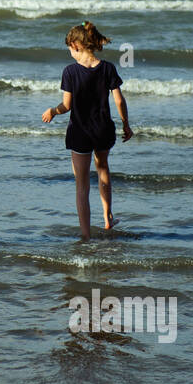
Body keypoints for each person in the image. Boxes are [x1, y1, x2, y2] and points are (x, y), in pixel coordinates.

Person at [42, 21, 133, 239]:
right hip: (103, 129)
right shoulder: (108, 68)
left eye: (68, 48)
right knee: (103, 170)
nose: (69, 53)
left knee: (82, 185)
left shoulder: (70, 71)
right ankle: (107, 218)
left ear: (75, 45)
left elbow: (67, 106)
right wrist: (126, 124)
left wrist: (52, 111)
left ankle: (85, 235)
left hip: (80, 132)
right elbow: (119, 100)